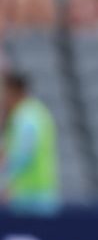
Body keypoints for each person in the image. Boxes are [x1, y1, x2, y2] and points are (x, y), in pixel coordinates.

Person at [1, 72, 59, 216]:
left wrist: (4, 183)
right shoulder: (38, 112)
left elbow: (22, 155)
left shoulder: (24, 117)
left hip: (28, 197)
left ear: (13, 91)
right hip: (42, 192)